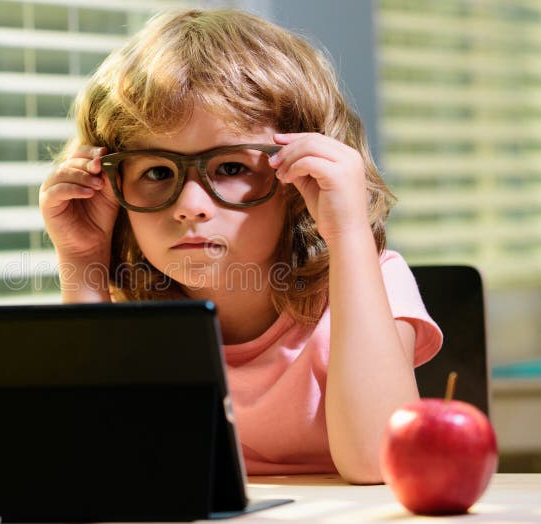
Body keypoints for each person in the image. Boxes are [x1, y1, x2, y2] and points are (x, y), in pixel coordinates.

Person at [39, 8, 442, 484]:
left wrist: (349, 231)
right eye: (157, 172)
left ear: (299, 182)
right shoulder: (133, 313)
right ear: (111, 186)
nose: (190, 206)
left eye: (230, 168)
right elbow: (96, 469)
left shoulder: (369, 281)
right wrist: (82, 260)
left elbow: (379, 461)